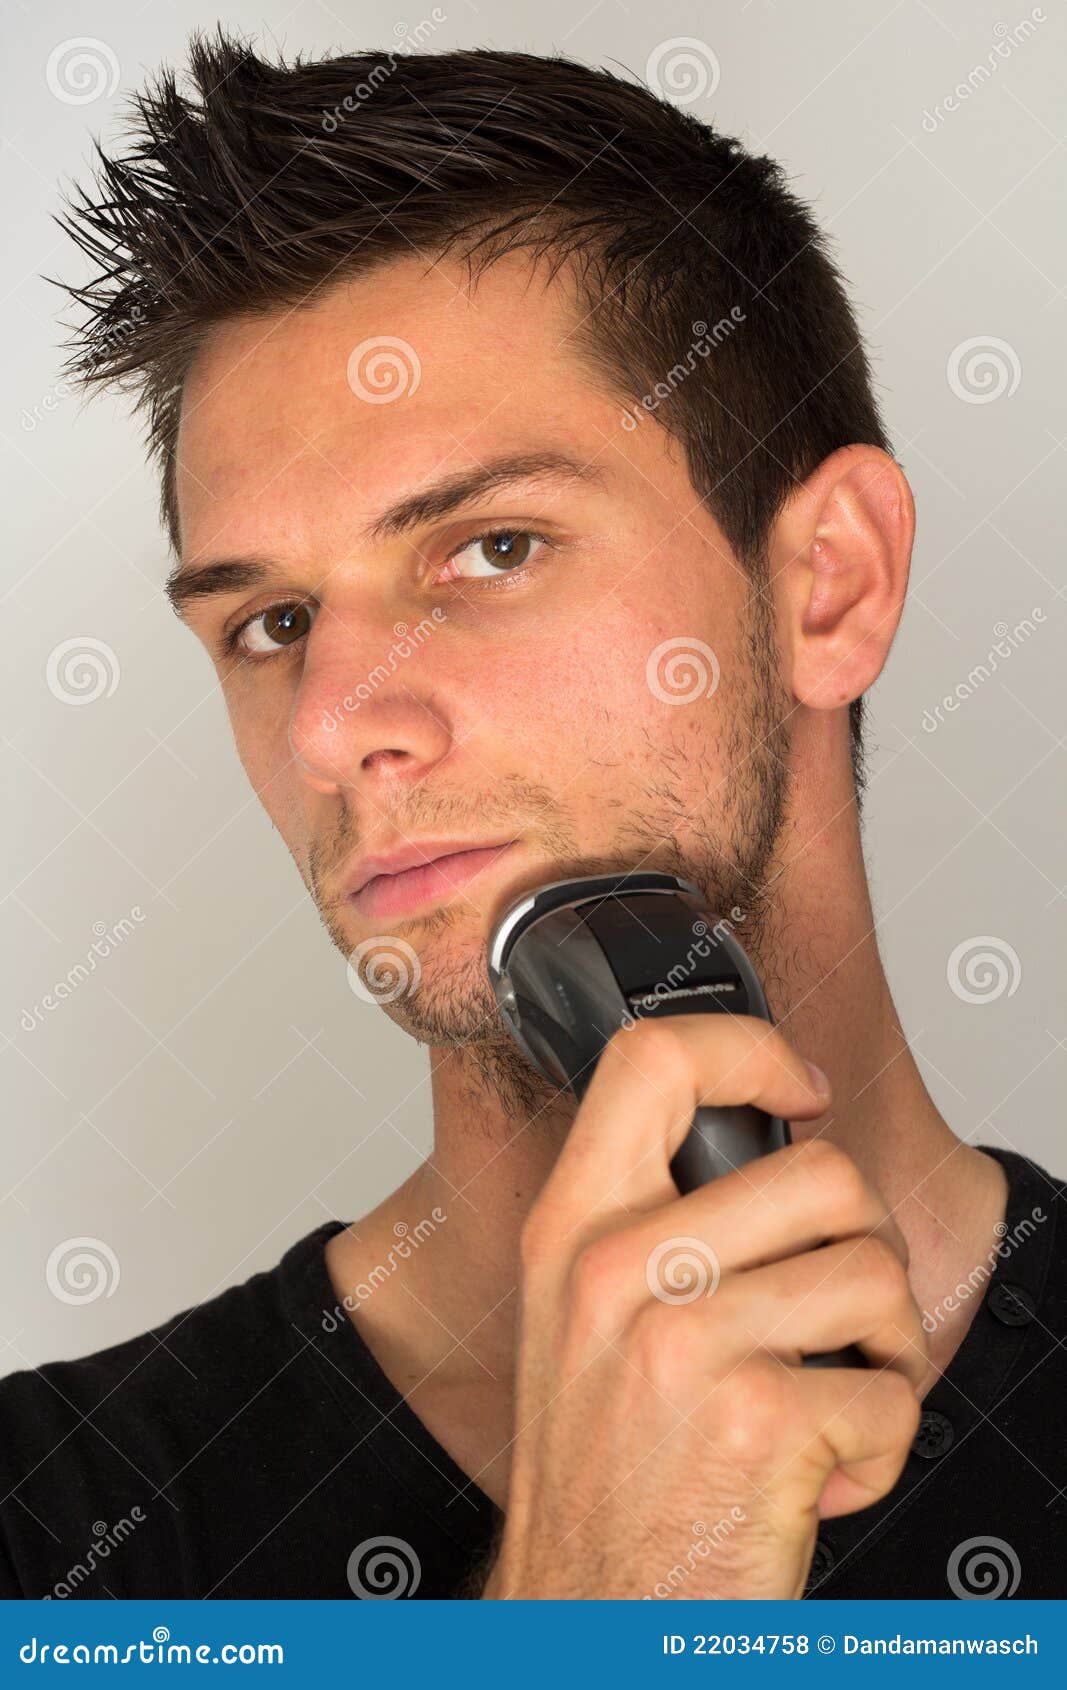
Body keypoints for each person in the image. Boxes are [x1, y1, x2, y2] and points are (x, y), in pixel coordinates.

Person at [2, 30, 1061, 1602]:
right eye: (273, 622)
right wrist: (590, 1605)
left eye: (490, 549)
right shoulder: (56, 1544)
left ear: (829, 581)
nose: (336, 722)